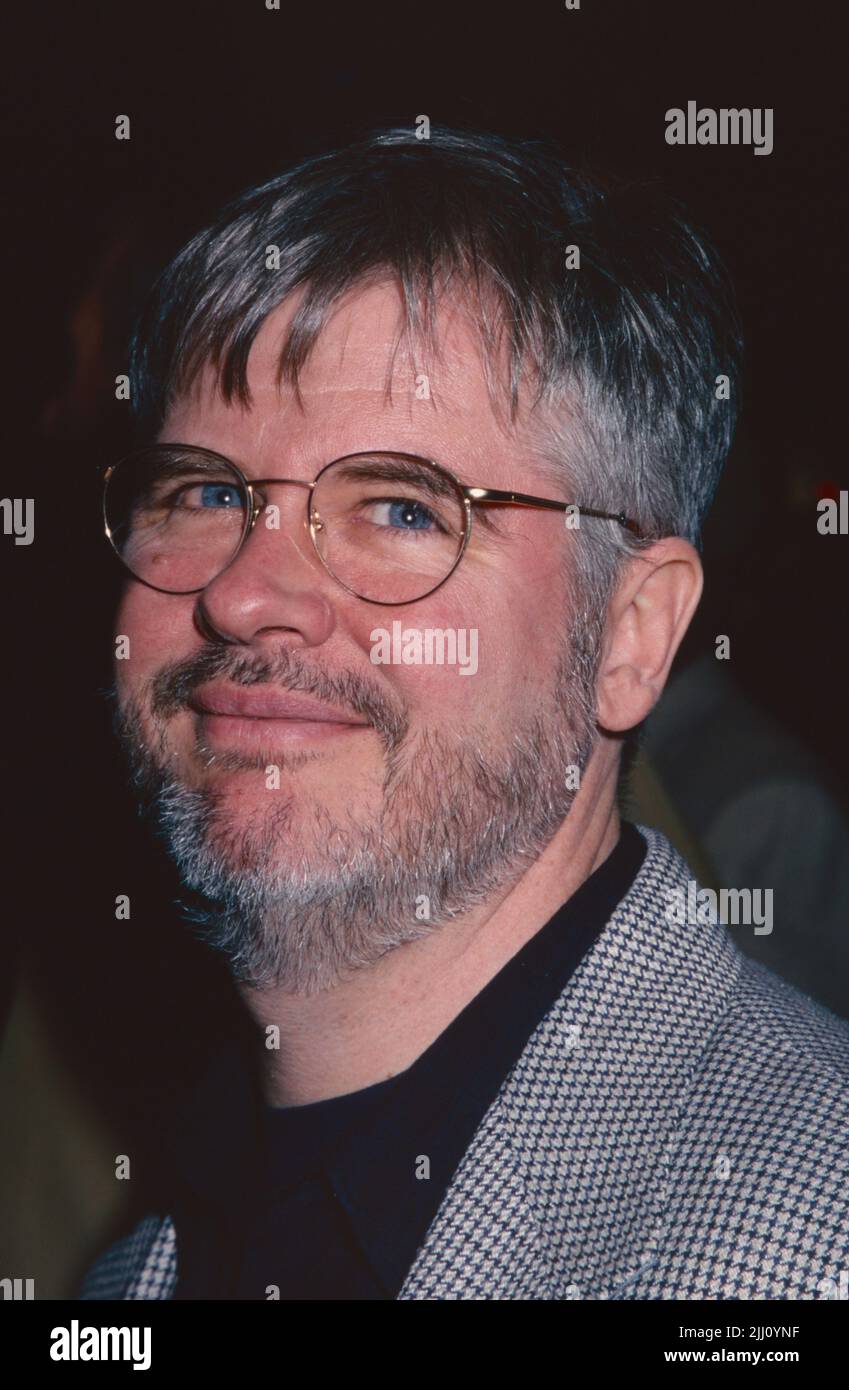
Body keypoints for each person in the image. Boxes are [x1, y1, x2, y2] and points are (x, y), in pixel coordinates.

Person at [79, 126, 849, 1301]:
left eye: (400, 509)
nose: (242, 595)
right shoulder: (143, 1263)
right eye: (207, 489)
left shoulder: (802, 1236)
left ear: (632, 634)